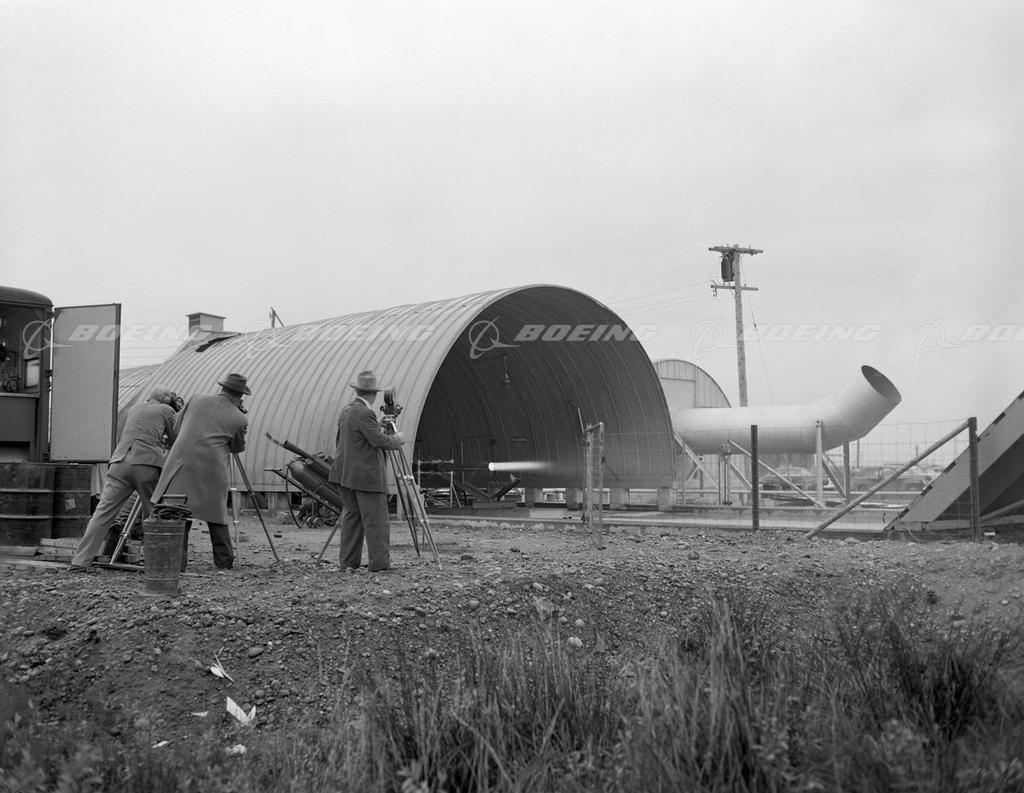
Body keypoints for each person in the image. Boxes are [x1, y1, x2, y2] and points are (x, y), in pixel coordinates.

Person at [68, 386, 180, 572]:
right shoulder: (166, 410)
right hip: (145, 463)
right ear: (167, 399)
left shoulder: (134, 409)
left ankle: (80, 561)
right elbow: (176, 439)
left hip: (119, 463)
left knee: (102, 513)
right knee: (153, 513)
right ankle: (156, 562)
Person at [150, 373, 250, 571]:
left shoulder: (196, 398)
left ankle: (176, 564)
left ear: (222, 388)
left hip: (180, 464)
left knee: (177, 513)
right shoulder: (240, 418)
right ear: (240, 396)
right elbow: (237, 447)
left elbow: (177, 428)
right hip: (211, 471)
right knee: (217, 516)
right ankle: (223, 562)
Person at [328, 370, 406, 572]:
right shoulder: (365, 413)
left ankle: (348, 562)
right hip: (365, 477)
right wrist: (397, 440)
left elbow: (358, 436)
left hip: (345, 474)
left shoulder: (348, 410)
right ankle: (379, 564)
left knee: (352, 518)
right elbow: (379, 441)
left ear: (358, 390)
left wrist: (376, 424)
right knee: (376, 520)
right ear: (373, 394)